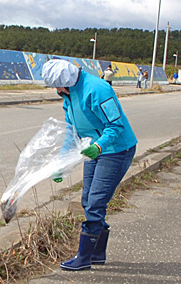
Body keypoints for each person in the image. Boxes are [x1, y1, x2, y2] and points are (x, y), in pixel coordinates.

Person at [41, 59, 137, 271]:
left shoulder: (98, 89)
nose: (56, 90)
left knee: (95, 202)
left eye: (57, 85)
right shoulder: (68, 94)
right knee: (87, 199)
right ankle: (97, 253)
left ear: (66, 80)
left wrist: (99, 147)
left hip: (116, 150)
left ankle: (84, 257)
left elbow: (116, 125)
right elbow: (72, 132)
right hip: (95, 149)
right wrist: (63, 164)